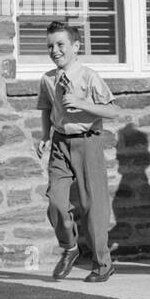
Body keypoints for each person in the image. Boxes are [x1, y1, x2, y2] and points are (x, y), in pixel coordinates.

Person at [35, 21, 122, 283]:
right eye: (50, 46)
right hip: (60, 143)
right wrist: (44, 136)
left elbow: (113, 110)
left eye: (60, 44)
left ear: (76, 46)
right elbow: (47, 110)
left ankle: (102, 264)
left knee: (92, 207)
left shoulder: (88, 76)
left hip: (87, 142)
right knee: (56, 203)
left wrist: (83, 104)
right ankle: (70, 247)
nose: (55, 50)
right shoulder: (48, 79)